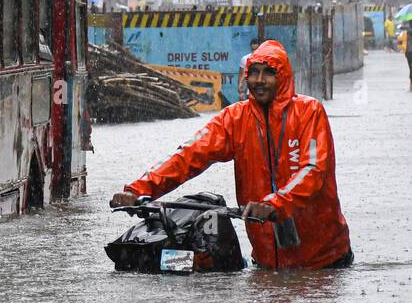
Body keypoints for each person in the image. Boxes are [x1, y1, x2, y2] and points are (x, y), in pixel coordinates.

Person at [111, 40, 352, 269]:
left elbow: (313, 171)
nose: (259, 80)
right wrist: (138, 189)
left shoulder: (309, 112)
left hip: (325, 261)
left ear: (283, 77)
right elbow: (188, 155)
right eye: (253, 72)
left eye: (268, 72)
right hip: (267, 263)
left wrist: (274, 204)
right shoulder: (235, 118)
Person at [236, 37, 263, 102]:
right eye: (252, 49)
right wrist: (240, 91)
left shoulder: (265, 59)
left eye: (256, 49)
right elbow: (241, 75)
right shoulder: (245, 59)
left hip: (262, 92)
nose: (254, 52)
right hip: (250, 93)